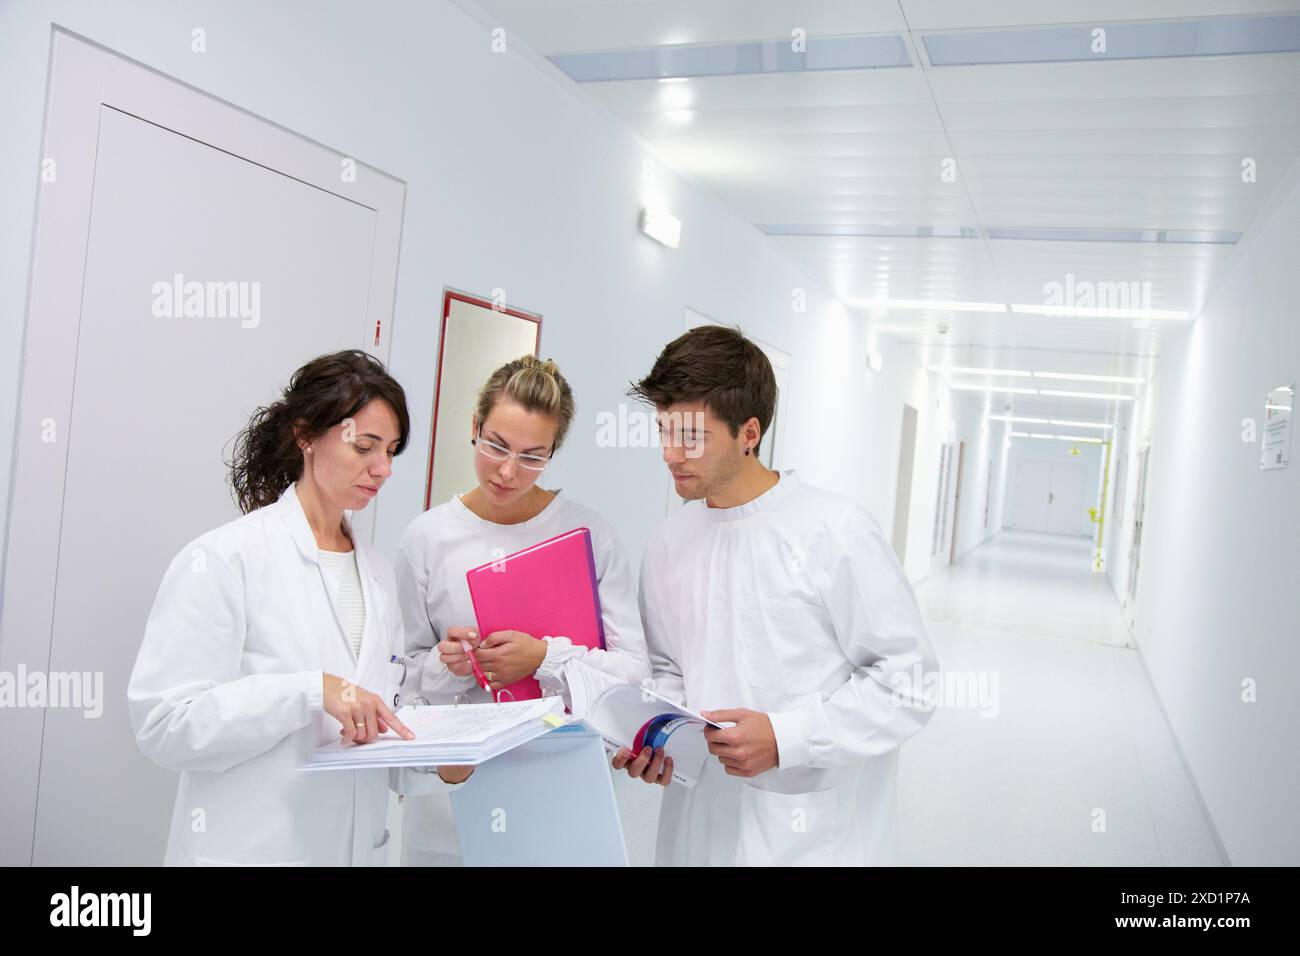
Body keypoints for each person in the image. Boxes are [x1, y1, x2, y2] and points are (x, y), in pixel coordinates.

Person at [128, 350, 472, 866]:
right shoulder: (225, 559)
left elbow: (377, 729)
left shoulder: (377, 575)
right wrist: (310, 691)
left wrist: (449, 764)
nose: (383, 469)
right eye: (365, 446)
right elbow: (166, 726)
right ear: (306, 436)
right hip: (250, 849)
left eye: (393, 451)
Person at [616, 325, 940, 866]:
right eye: (663, 430)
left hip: (808, 834)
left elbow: (909, 683)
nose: (671, 453)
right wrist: (654, 737)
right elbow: (670, 668)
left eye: (691, 436)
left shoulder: (834, 530)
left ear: (749, 432)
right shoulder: (670, 541)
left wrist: (787, 736)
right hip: (697, 827)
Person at [396, 354, 650, 866]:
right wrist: (449, 666)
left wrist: (543, 658)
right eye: (496, 446)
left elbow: (634, 673)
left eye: (533, 457)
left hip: (558, 790)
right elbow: (402, 680)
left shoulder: (589, 536)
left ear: (554, 451)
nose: (508, 471)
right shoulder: (426, 537)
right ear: (474, 426)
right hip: (452, 798)